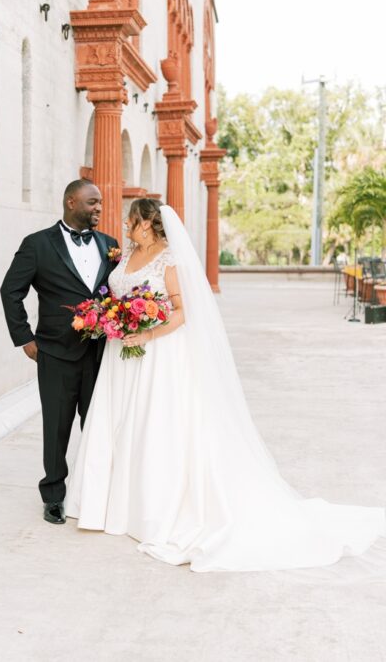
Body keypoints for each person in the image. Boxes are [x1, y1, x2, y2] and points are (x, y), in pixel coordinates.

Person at [65, 198, 386, 571]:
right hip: (120, 356)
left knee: (152, 426)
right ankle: (112, 504)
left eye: (133, 221)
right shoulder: (125, 256)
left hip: (157, 355)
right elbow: (117, 295)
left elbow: (182, 312)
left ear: (150, 224)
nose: (126, 225)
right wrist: (112, 319)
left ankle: (149, 510)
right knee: (121, 425)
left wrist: (146, 336)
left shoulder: (169, 260)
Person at [0, 179, 120, 525]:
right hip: (54, 352)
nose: (99, 208)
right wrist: (24, 338)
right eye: (93, 202)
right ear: (71, 202)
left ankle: (99, 491)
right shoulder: (37, 244)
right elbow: (10, 291)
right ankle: (53, 495)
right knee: (57, 428)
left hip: (101, 351)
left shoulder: (109, 245)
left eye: (100, 202)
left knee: (99, 424)